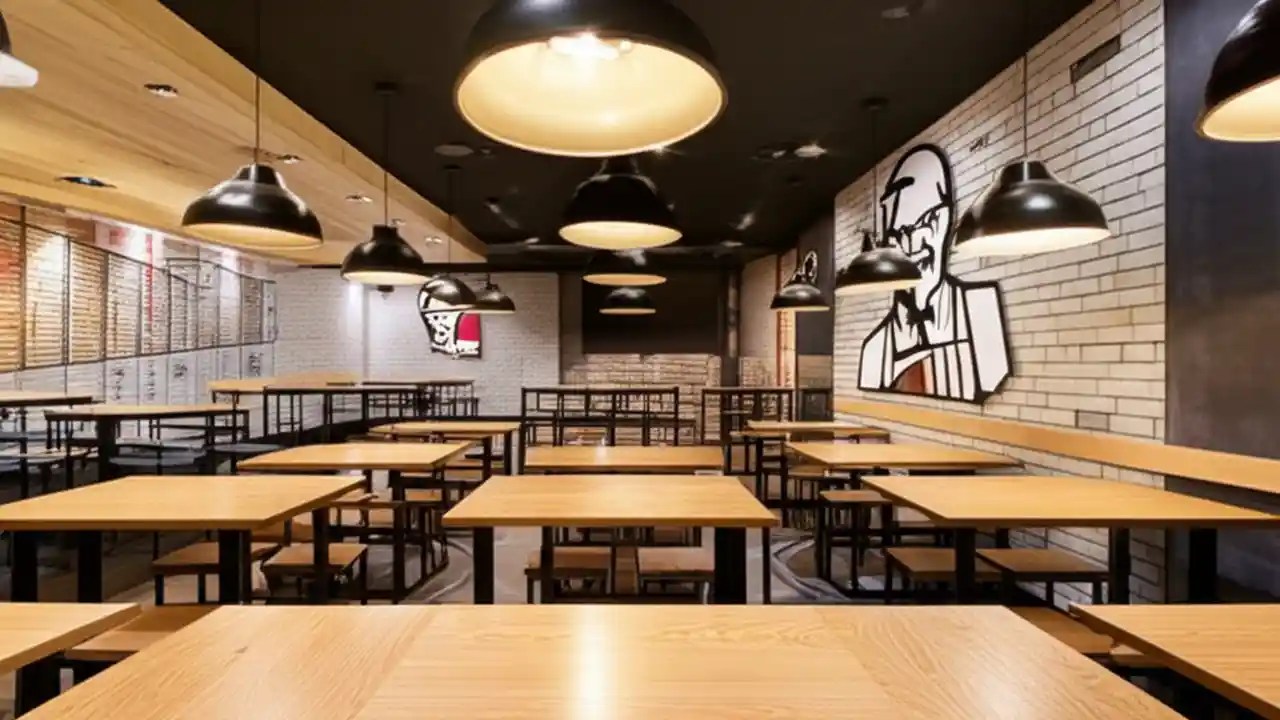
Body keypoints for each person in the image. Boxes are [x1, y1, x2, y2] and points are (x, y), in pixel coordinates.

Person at [857, 145, 1010, 403]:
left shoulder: (982, 309)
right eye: (897, 235)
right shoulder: (875, 349)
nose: (912, 244)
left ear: (946, 220)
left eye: (925, 223)